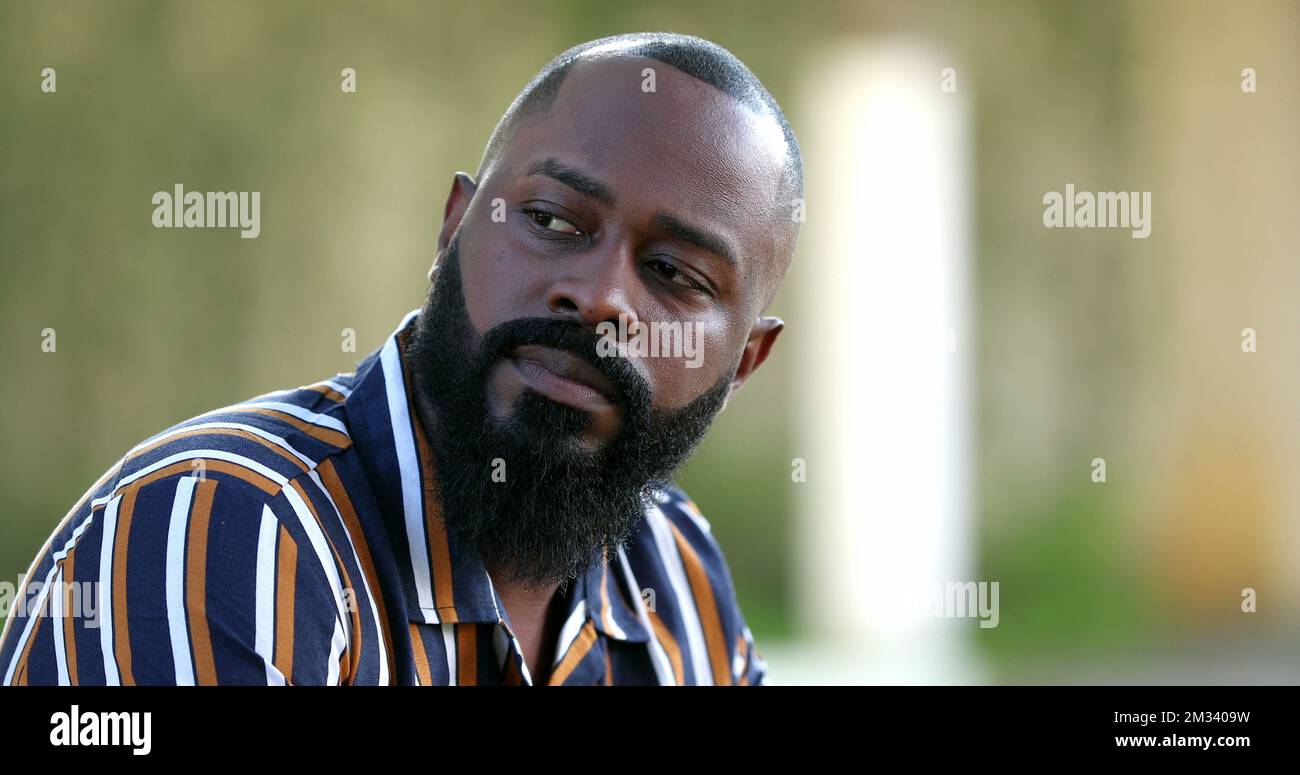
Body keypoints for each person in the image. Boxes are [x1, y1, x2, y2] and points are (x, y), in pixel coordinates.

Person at [0, 31, 802, 685]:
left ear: (744, 363)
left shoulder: (676, 575)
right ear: (455, 227)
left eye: (674, 273)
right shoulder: (224, 529)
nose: (596, 298)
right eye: (553, 221)